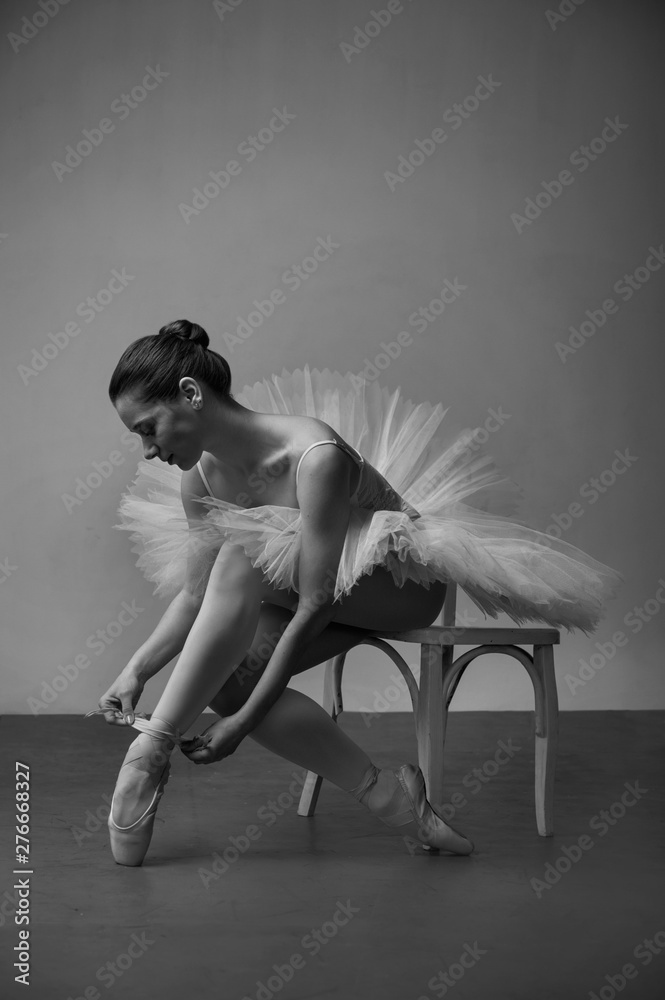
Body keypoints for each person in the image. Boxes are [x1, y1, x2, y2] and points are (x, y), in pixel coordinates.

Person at [89, 319, 623, 866]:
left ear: (189, 394)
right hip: (305, 593)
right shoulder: (199, 477)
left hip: (395, 586)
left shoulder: (314, 455)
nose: (148, 450)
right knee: (224, 684)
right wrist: (136, 671)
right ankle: (394, 801)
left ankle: (149, 753)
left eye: (147, 429)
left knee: (239, 559)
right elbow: (199, 594)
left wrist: (245, 725)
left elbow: (317, 601)